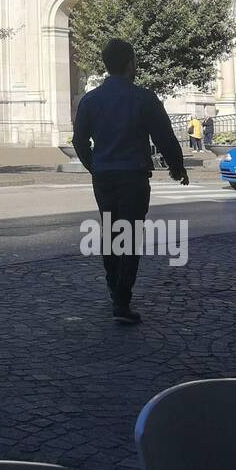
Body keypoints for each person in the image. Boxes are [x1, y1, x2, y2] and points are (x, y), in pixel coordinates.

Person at [72, 38, 188, 326]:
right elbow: (164, 137)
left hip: (104, 177)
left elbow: (79, 141)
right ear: (129, 64)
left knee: (110, 231)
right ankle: (122, 299)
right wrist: (177, 167)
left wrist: (94, 166)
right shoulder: (144, 98)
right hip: (133, 176)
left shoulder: (90, 100)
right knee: (131, 235)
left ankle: (114, 286)